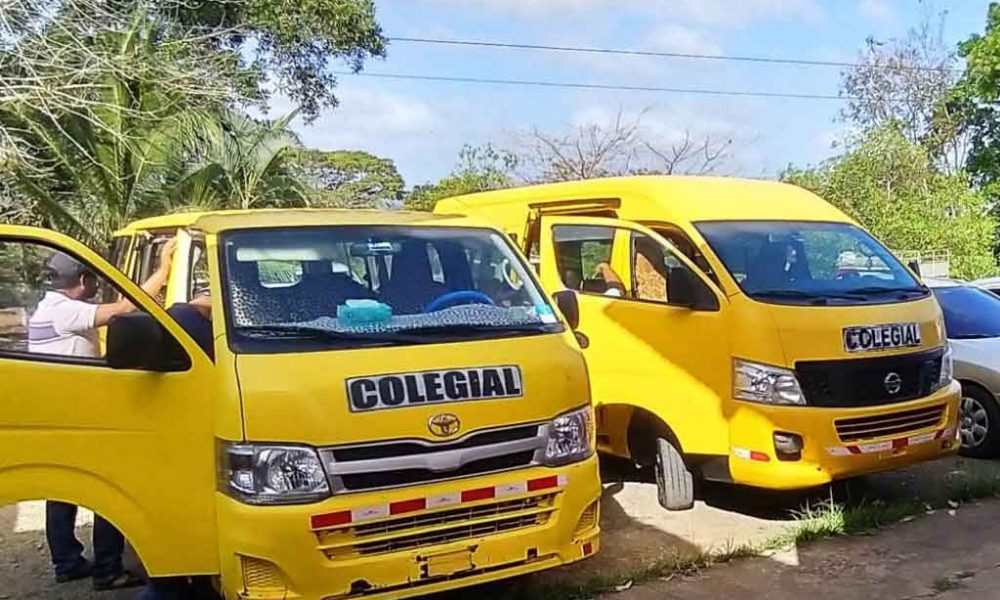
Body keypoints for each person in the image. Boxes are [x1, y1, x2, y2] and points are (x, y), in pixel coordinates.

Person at [29, 238, 176, 591]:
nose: (95, 287)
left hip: (58, 414)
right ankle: (108, 570)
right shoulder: (64, 311)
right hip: (76, 417)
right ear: (82, 280)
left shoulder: (47, 306)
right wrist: (163, 269)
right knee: (109, 488)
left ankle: (67, 561)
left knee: (62, 490)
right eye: (93, 280)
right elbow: (124, 310)